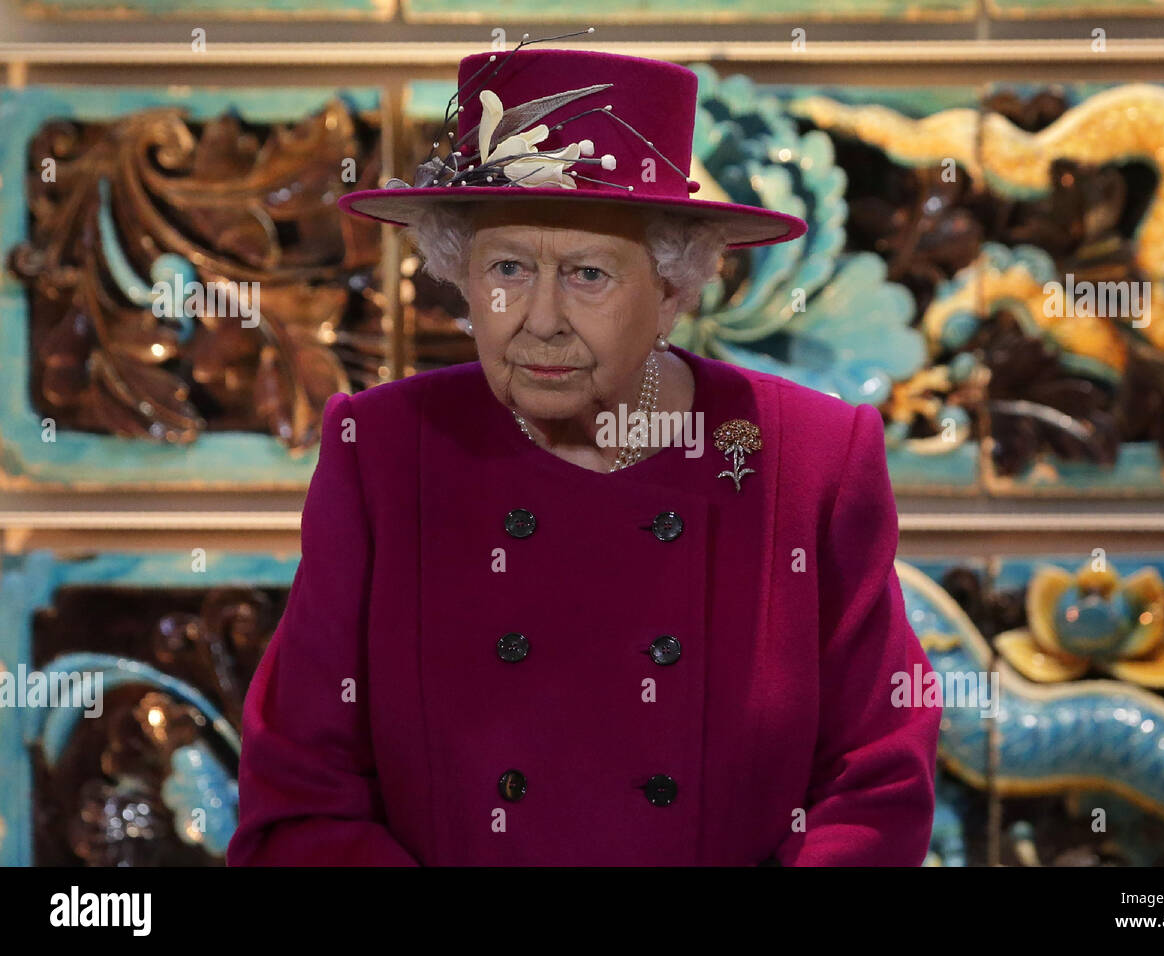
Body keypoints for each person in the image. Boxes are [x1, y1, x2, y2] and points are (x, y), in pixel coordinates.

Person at [226, 37, 941, 866]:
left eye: (589, 275)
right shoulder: (382, 453)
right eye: (505, 268)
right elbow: (301, 792)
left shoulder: (808, 456)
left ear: (673, 290)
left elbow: (876, 780)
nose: (538, 319)